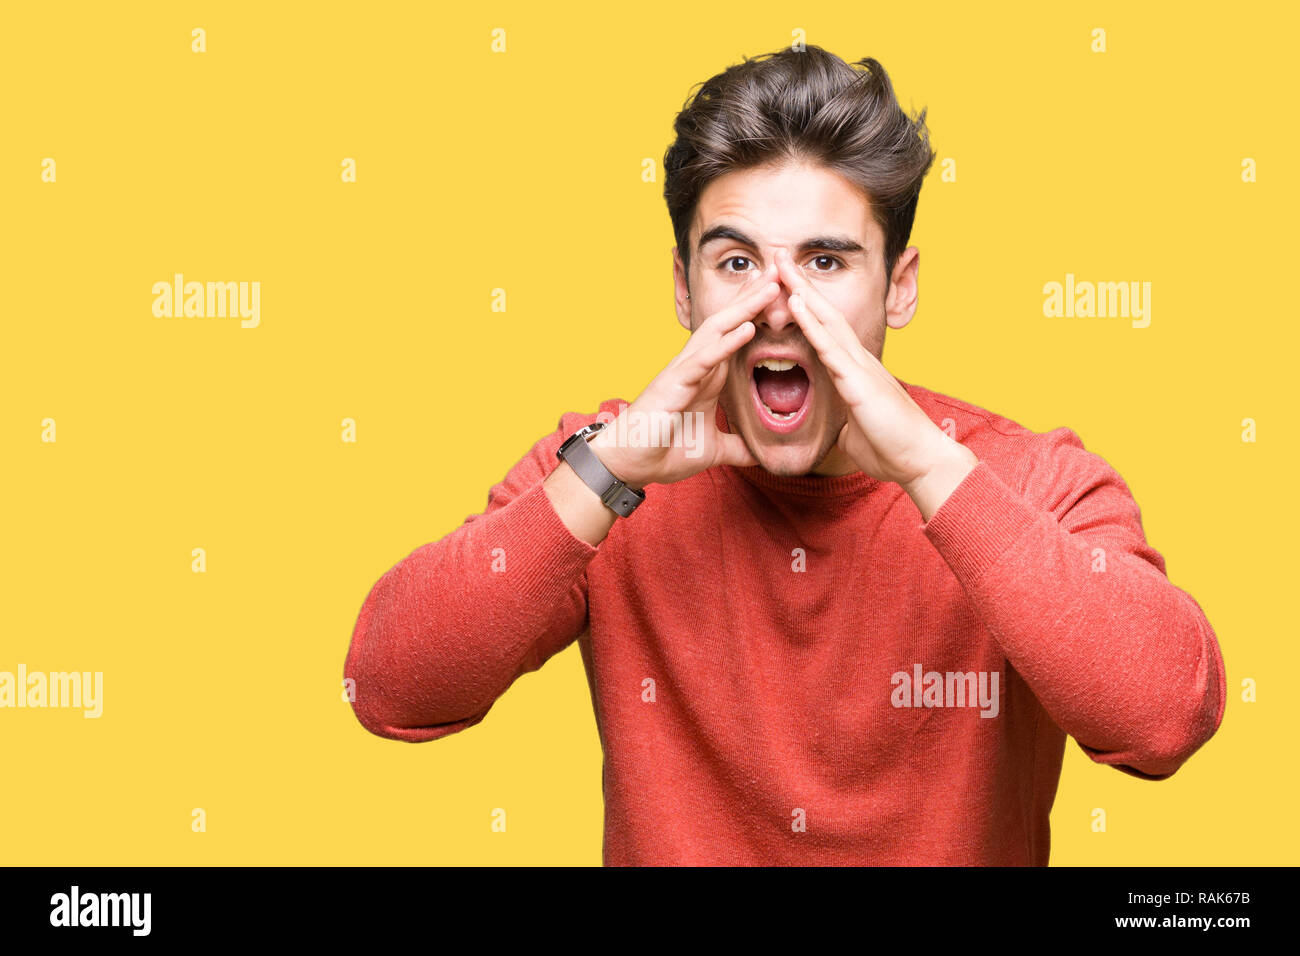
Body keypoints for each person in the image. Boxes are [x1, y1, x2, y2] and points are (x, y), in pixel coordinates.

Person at [342, 45, 1226, 865]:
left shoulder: (1034, 481)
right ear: (684, 289)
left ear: (901, 284)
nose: (779, 307)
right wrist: (607, 473)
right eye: (736, 263)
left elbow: (1165, 717)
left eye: (826, 262)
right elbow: (390, 687)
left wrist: (929, 469)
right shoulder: (602, 470)